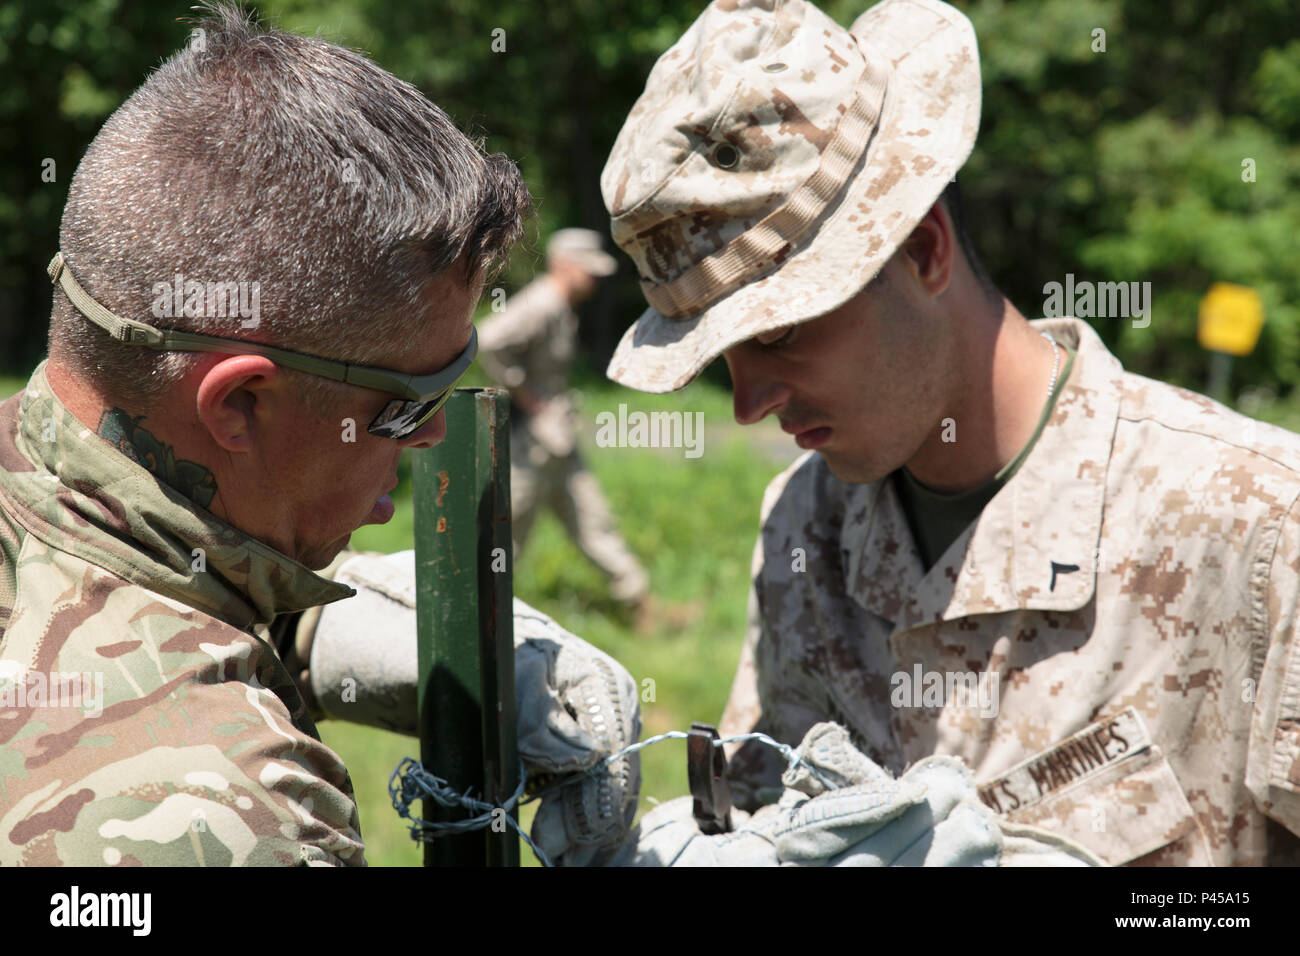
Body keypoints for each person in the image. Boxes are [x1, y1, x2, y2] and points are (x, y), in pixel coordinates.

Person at [596, 0, 1300, 865]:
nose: (747, 406)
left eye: (777, 333)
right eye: (720, 357)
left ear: (924, 250)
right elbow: (764, 809)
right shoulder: (806, 523)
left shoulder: (1257, 529)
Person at [0, 5, 640, 866]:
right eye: (408, 405)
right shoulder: (235, 817)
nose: (434, 437)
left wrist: (314, 631)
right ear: (240, 405)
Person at [477, 229, 650, 615]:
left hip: (556, 436)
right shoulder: (542, 304)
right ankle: (483, 612)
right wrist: (527, 397)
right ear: (563, 265)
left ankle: (639, 602)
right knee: (509, 524)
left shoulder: (560, 304)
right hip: (531, 440)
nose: (594, 279)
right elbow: (489, 339)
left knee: (591, 516)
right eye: (587, 270)